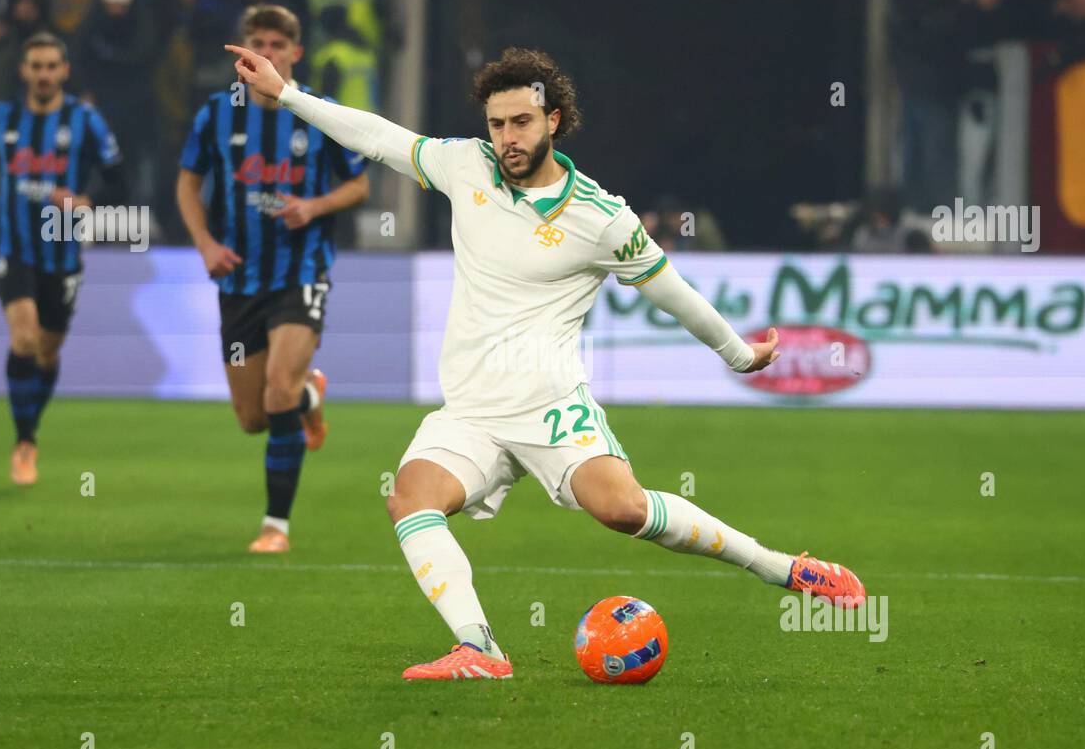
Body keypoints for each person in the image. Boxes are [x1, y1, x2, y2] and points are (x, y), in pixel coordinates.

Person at [227, 43, 867, 678]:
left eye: (521, 123)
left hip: (552, 404)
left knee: (624, 510)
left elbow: (674, 292)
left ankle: (781, 567)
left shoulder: (602, 217)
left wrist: (736, 351)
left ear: (553, 119)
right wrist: (287, 95)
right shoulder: (463, 166)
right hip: (472, 412)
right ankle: (480, 649)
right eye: (497, 124)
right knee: (409, 499)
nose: (507, 137)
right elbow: (377, 137)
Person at [177, 5, 370, 553]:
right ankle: (312, 398)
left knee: (278, 387)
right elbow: (187, 186)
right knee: (253, 417)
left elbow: (358, 187)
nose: (267, 52)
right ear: (243, 49)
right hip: (238, 281)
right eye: (256, 42)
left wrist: (314, 206)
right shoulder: (217, 113)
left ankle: (275, 528)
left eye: (277, 45)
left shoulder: (318, 112)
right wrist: (206, 245)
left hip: (300, 274)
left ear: (295, 53)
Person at [0, 31, 126, 484]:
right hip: (10, 245)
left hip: (63, 251)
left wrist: (87, 201)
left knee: (48, 350)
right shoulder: (0, 118)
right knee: (25, 338)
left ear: (65, 71)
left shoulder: (85, 120)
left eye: (52, 66)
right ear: (24, 71)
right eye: (36, 66)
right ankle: (25, 442)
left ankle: (31, 426)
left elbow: (119, 179)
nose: (43, 74)